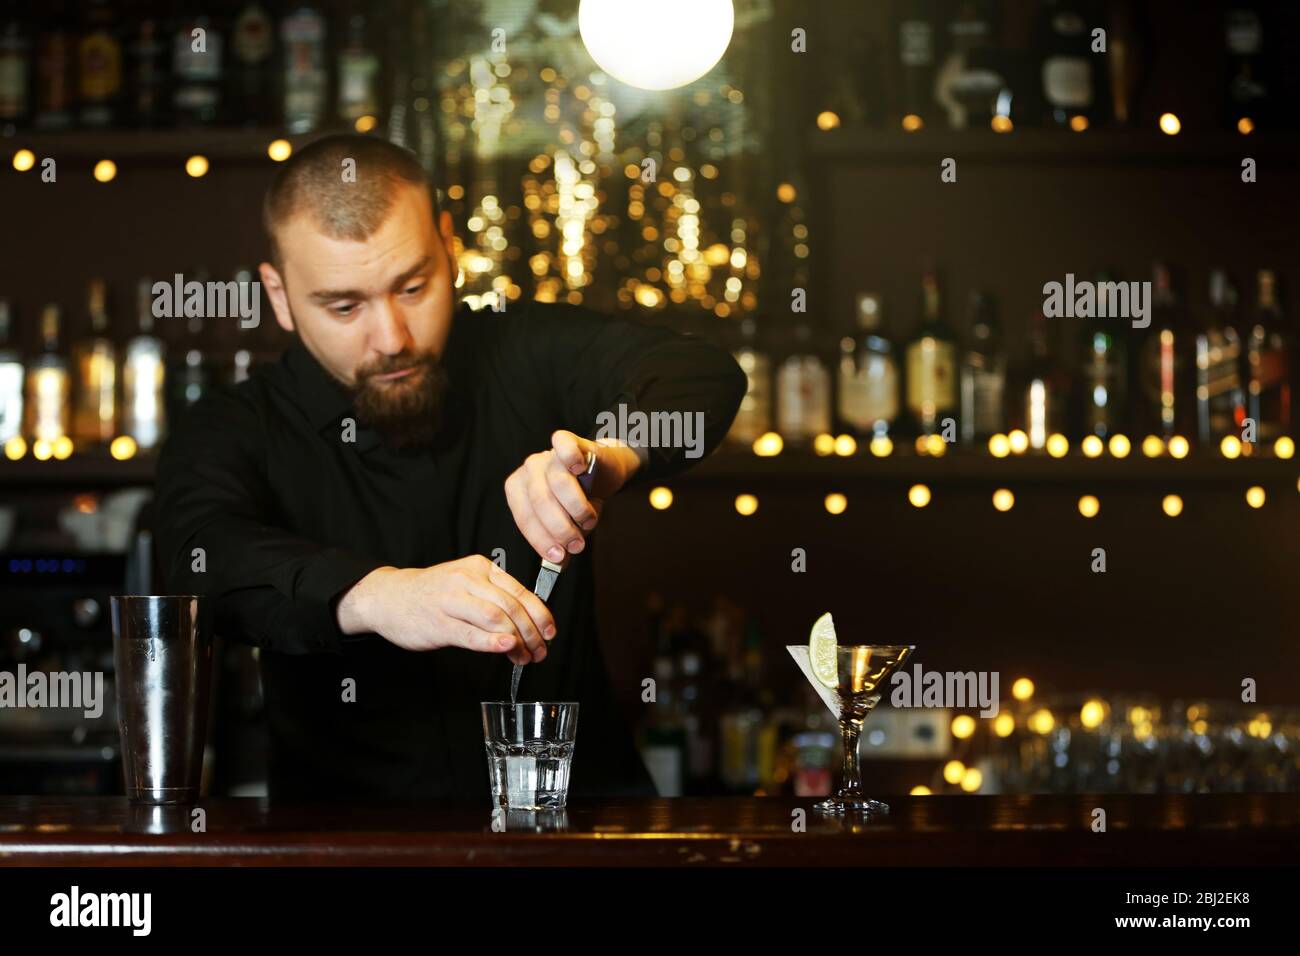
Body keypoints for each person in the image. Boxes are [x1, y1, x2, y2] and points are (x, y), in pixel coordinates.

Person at [154, 135, 746, 800]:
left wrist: (611, 456)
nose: (392, 338)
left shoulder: (521, 349)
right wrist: (379, 596)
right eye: (344, 306)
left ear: (449, 248)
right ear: (280, 295)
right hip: (340, 840)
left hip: (581, 826)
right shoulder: (236, 425)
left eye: (413, 287)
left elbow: (701, 375)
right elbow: (199, 556)